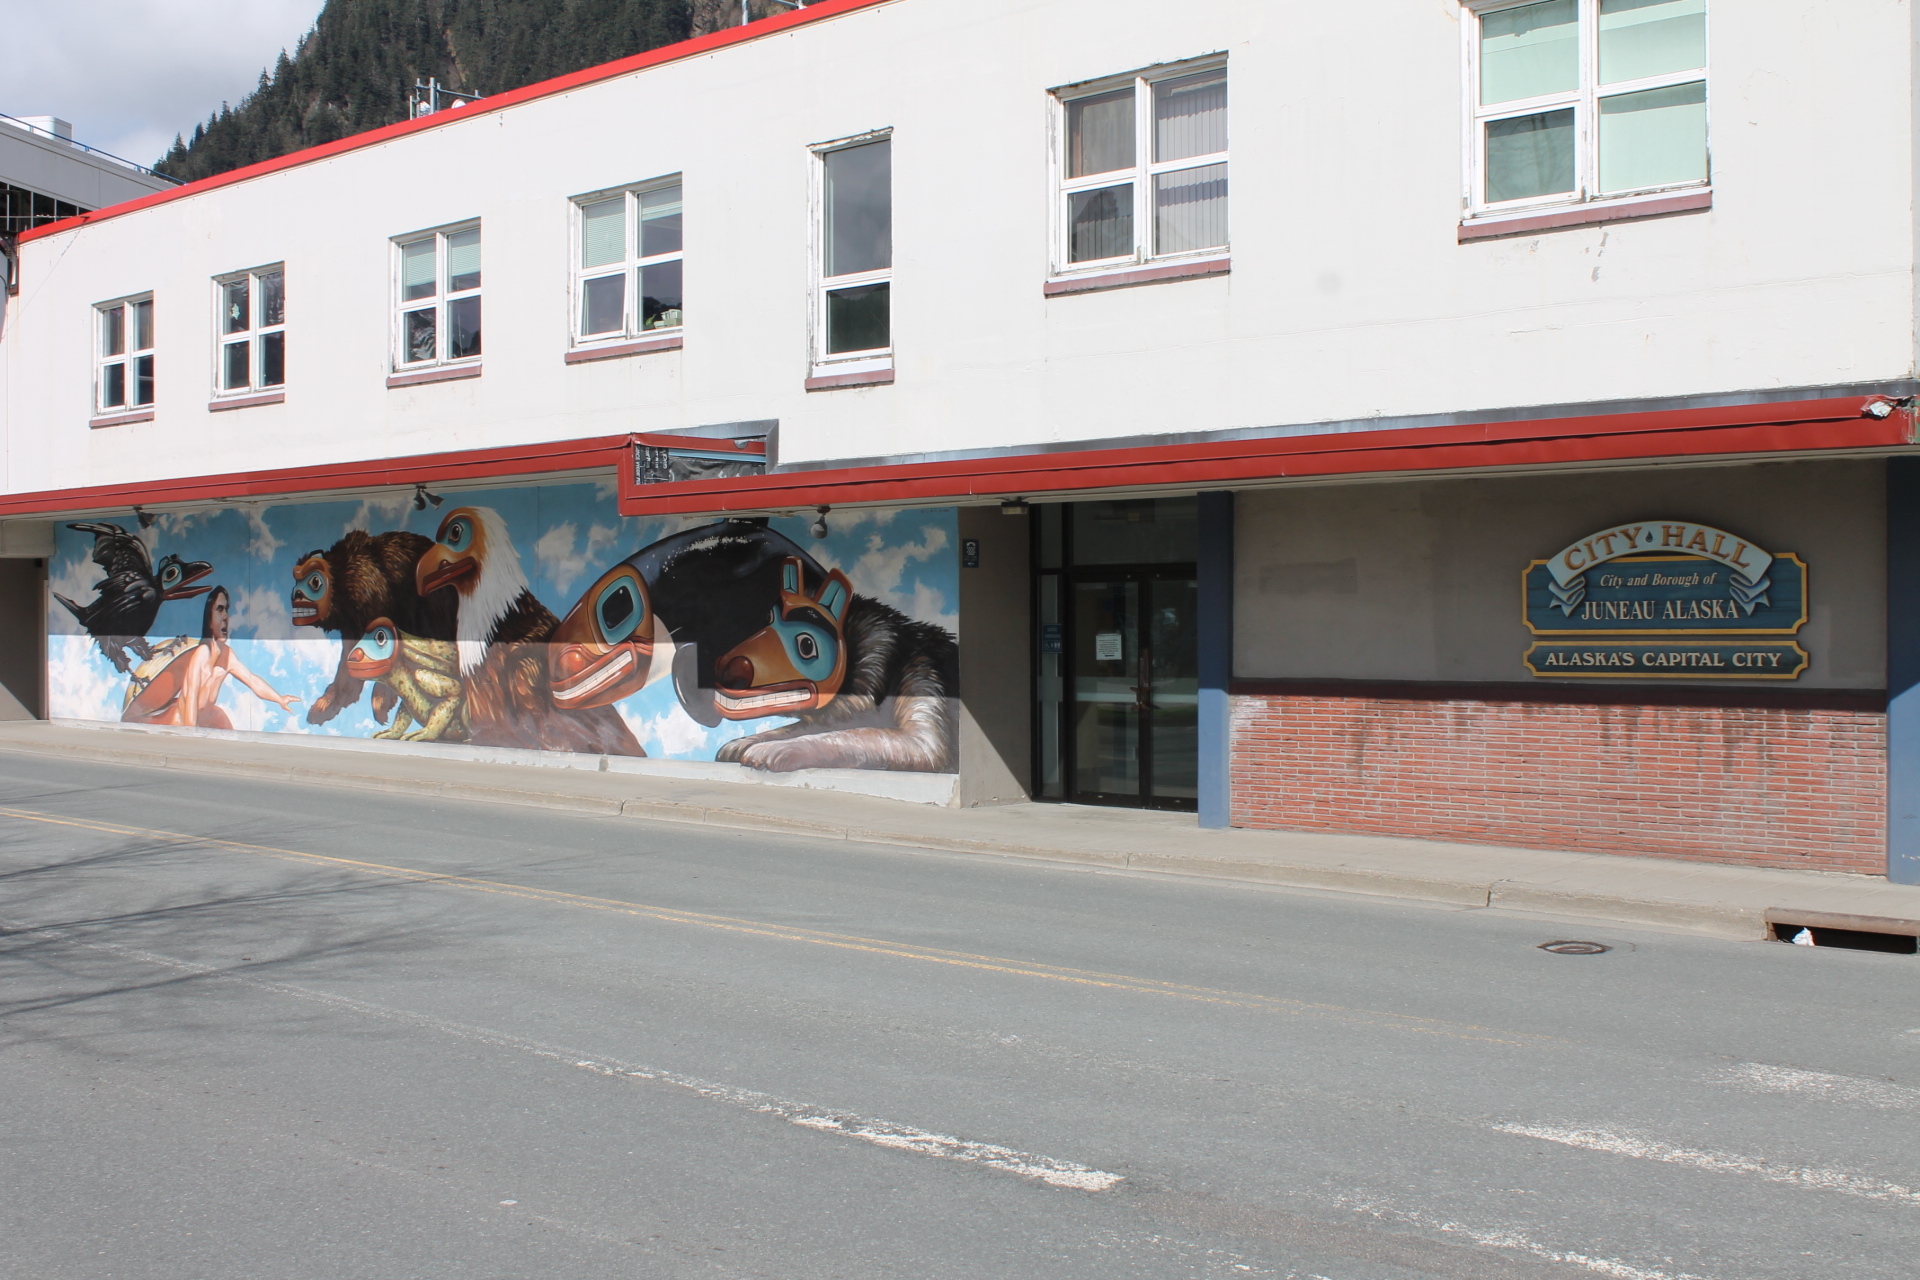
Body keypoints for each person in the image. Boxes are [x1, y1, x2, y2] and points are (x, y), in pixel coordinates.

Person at [122, 586, 301, 728]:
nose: (225, 616)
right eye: (220, 609)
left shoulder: (227, 655)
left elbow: (252, 680)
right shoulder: (201, 654)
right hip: (182, 720)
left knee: (220, 718)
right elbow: (190, 696)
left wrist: (279, 698)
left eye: (227, 610)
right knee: (149, 724)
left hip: (206, 717)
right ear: (209, 618)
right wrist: (191, 731)